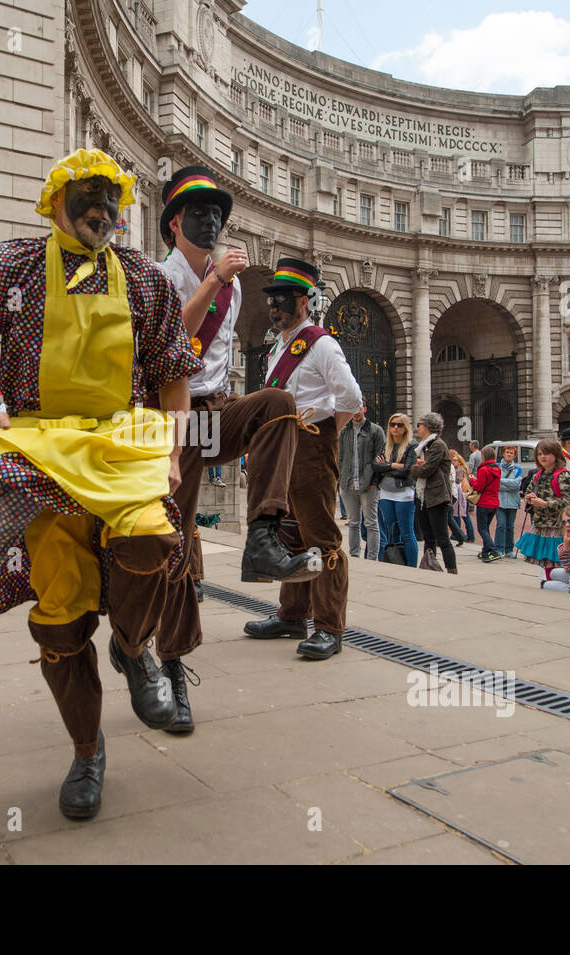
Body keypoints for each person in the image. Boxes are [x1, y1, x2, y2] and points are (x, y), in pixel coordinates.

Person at [0, 149, 203, 820]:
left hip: (125, 440)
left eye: (112, 196)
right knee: (62, 611)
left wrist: (173, 452)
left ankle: (131, 650)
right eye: (89, 194)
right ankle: (86, 748)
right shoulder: (7, 265)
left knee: (154, 542)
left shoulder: (141, 277)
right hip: (43, 446)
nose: (103, 207)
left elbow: (175, 371)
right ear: (56, 201)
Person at [151, 166, 319, 730]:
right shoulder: (158, 277)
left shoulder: (237, 283)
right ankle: (170, 665)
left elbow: (220, 360)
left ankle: (263, 538)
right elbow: (166, 343)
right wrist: (213, 283)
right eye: (200, 213)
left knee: (276, 403)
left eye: (218, 215)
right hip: (173, 420)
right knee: (175, 540)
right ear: (174, 223)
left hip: (216, 411)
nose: (213, 222)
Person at [242, 256, 363, 660]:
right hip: (282, 446)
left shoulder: (322, 343)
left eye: (283, 300)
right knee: (290, 533)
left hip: (310, 445)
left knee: (322, 535)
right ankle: (292, 614)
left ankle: (330, 627)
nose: (274, 308)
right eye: (271, 300)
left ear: (305, 301)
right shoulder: (279, 345)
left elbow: (351, 397)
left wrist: (327, 432)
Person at [518, 439, 570, 578]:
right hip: (541, 523)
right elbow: (528, 491)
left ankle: (557, 581)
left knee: (557, 558)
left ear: (556, 455)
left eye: (547, 454)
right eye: (540, 454)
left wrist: (545, 504)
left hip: (557, 525)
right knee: (545, 560)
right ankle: (548, 580)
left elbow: (569, 501)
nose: (543, 457)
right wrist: (529, 497)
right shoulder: (538, 475)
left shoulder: (563, 475)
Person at [410, 412, 456, 573]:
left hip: (437, 498)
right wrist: (420, 466)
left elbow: (426, 470)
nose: (418, 427)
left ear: (428, 426)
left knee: (442, 538)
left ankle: (452, 570)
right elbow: (425, 467)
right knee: (428, 537)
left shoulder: (437, 445)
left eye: (419, 424)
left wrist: (414, 467)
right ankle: (429, 568)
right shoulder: (425, 446)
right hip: (424, 497)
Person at [339, 405, 385, 559]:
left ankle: (372, 557)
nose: (355, 412)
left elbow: (381, 458)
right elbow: (340, 457)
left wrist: (375, 481)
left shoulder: (376, 430)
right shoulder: (344, 431)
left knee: (371, 523)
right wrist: (340, 479)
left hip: (368, 483)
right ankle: (354, 555)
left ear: (364, 409)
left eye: (357, 408)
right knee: (353, 522)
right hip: (348, 483)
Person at [374, 412, 417, 564]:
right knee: (392, 532)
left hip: (404, 494)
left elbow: (407, 470)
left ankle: (411, 566)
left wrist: (385, 468)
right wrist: (391, 465)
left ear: (405, 428)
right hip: (386, 494)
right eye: (392, 425)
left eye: (399, 425)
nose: (395, 428)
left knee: (407, 532)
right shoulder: (386, 445)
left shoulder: (412, 446)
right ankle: (397, 562)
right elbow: (375, 466)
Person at [466, 443, 501, 561]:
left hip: (484, 502)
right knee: (486, 527)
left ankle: (493, 549)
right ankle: (485, 551)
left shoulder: (483, 469)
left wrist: (471, 480)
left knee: (482, 529)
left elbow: (479, 487)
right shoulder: (497, 468)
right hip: (494, 502)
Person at [497, 444, 523, 559]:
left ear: (514, 456)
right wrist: (509, 482)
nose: (509, 454)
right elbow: (495, 484)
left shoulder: (518, 469)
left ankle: (509, 549)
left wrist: (502, 482)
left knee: (510, 526)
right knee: (501, 525)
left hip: (513, 502)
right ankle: (499, 548)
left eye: (511, 453)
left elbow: (517, 485)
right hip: (499, 501)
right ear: (503, 453)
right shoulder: (497, 467)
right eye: (507, 452)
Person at [448, 448, 475, 545]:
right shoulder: (460, 469)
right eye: (452, 460)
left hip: (462, 495)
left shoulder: (460, 470)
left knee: (463, 515)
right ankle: (459, 535)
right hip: (461, 495)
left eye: (455, 460)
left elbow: (457, 481)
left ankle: (464, 535)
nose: (453, 462)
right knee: (459, 515)